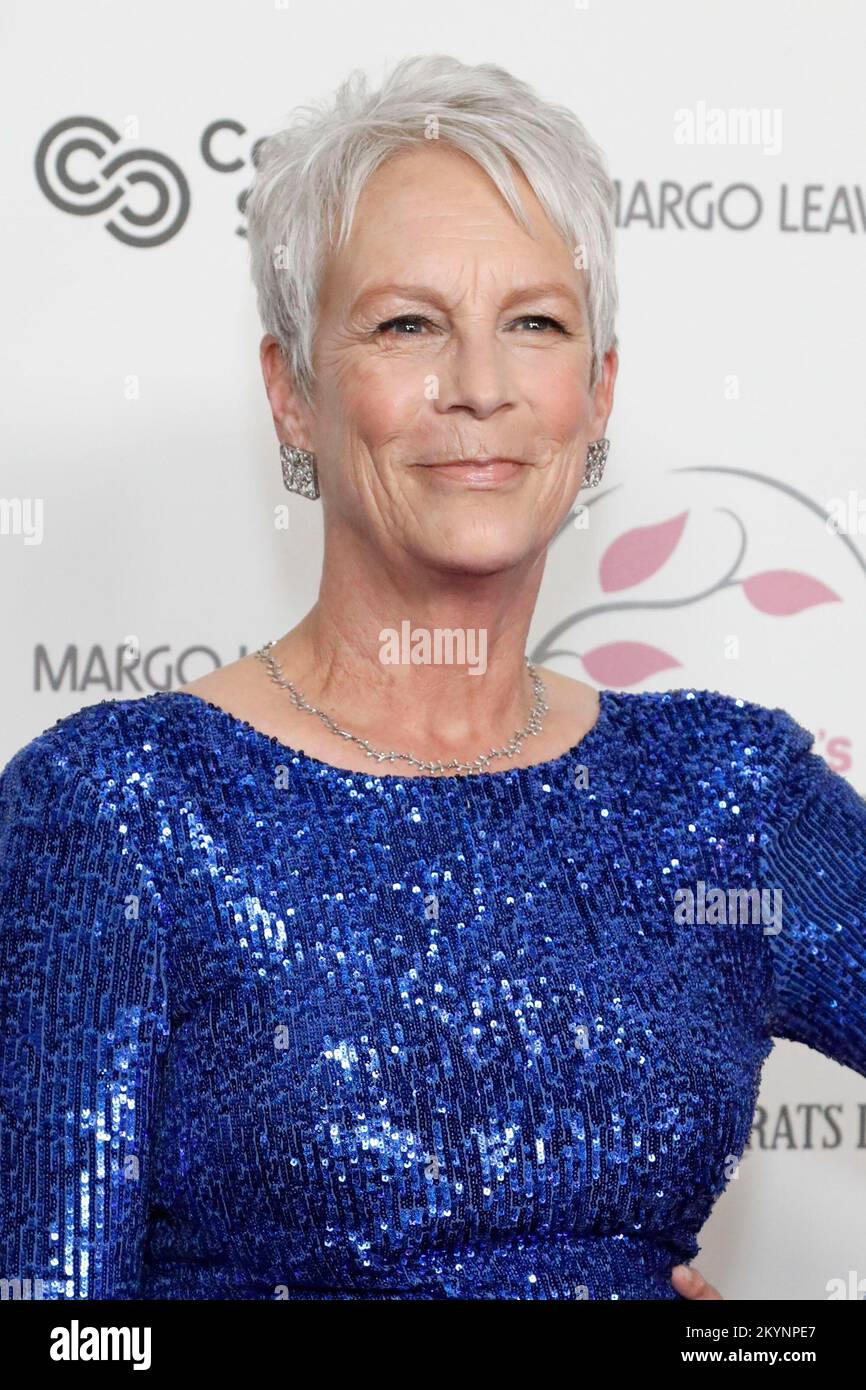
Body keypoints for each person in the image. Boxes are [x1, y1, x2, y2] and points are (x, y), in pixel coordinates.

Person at [1, 54, 863, 1301]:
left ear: (597, 391)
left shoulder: (723, 797)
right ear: (292, 392)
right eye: (407, 324)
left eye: (536, 323)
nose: (477, 386)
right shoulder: (121, 807)